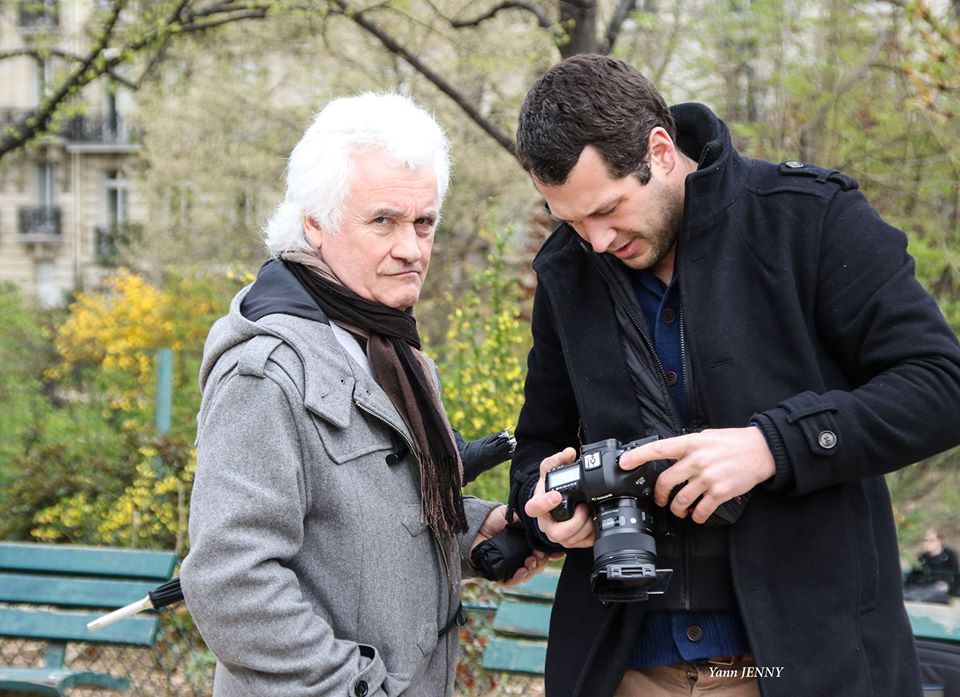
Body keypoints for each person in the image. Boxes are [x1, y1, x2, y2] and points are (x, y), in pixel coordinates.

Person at [507, 54, 960, 697]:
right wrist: (545, 511)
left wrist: (772, 446)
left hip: (790, 667)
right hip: (622, 670)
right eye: (572, 222)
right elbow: (536, 452)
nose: (597, 242)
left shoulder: (810, 218)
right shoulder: (567, 270)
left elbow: (941, 384)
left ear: (659, 151)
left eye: (608, 210)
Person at [180, 92, 546, 697]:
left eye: (424, 222)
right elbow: (230, 581)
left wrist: (472, 533)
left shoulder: (386, 346)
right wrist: (358, 688)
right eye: (384, 221)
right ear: (314, 221)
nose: (412, 248)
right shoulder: (266, 372)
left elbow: (365, 522)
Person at [905, 528, 960, 602]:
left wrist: (947, 584)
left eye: (931, 540)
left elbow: (955, 576)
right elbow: (911, 579)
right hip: (922, 589)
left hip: (941, 592)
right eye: (925, 540)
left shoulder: (949, 555)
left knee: (935, 591)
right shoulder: (922, 558)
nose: (928, 543)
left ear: (939, 540)